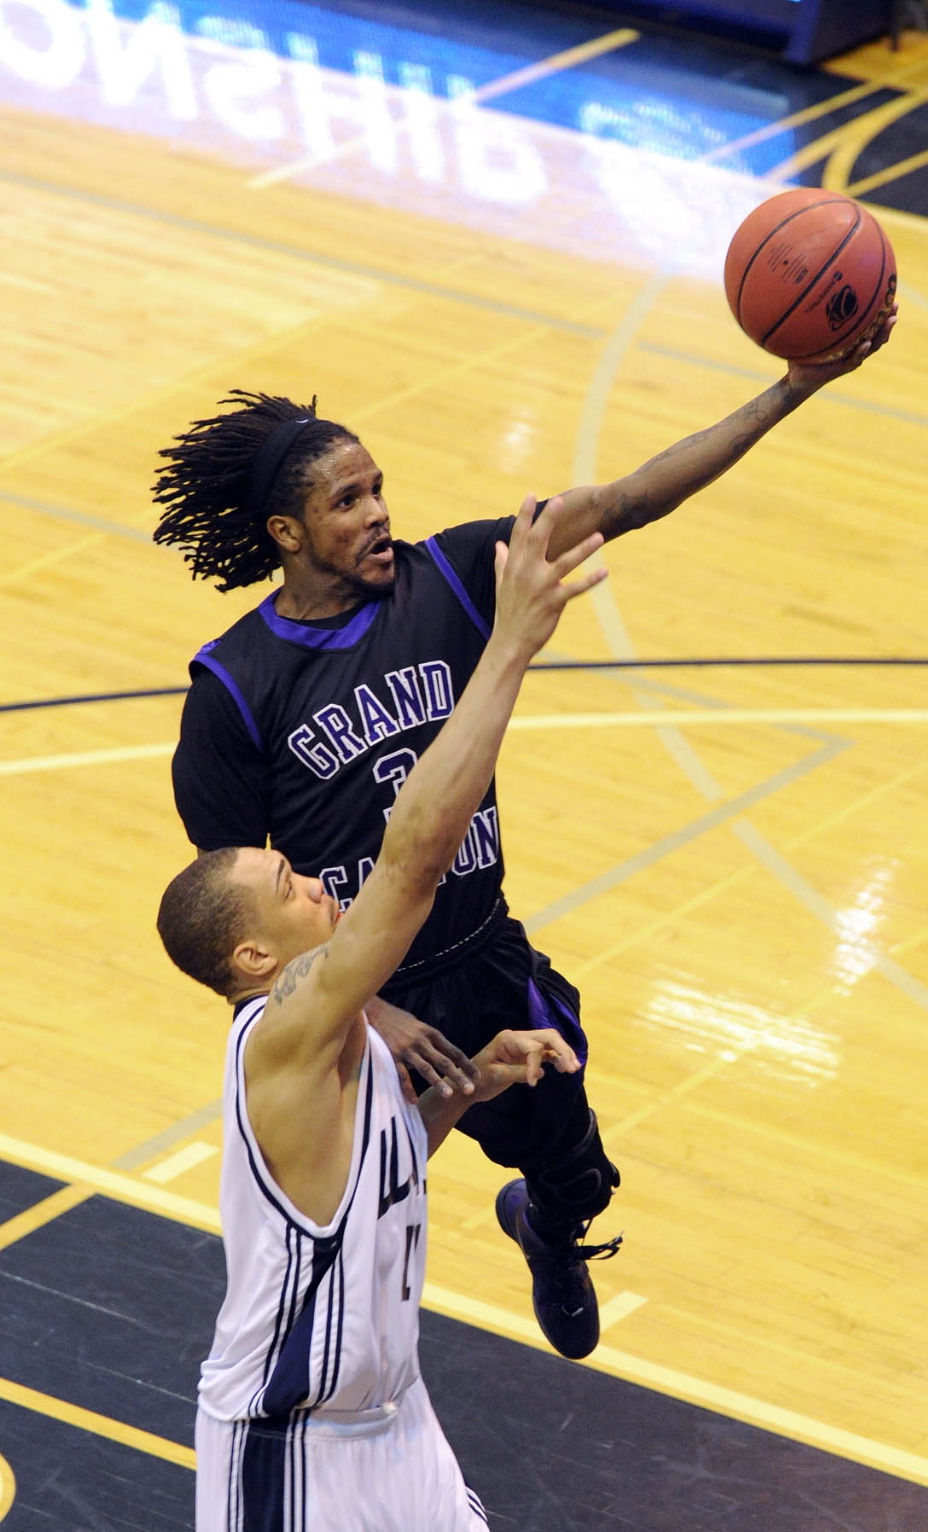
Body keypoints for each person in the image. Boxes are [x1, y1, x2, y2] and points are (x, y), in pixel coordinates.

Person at [153, 324, 894, 1361]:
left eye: (378, 489)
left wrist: (791, 388)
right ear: (285, 529)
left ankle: (548, 1232)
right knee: (349, 1229)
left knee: (578, 1169)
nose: (378, 515)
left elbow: (630, 497)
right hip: (346, 1003)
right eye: (347, 502)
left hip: (479, 955)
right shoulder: (235, 686)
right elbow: (238, 909)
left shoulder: (454, 576)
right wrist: (365, 1002)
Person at [156, 498, 600, 1532]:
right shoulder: (283, 1022)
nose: (313, 879)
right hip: (290, 1444)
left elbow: (378, 1170)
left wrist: (475, 1077)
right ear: (254, 955)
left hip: (395, 1424)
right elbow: (412, 858)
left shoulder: (331, 1042)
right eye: (288, 880)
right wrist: (513, 644)